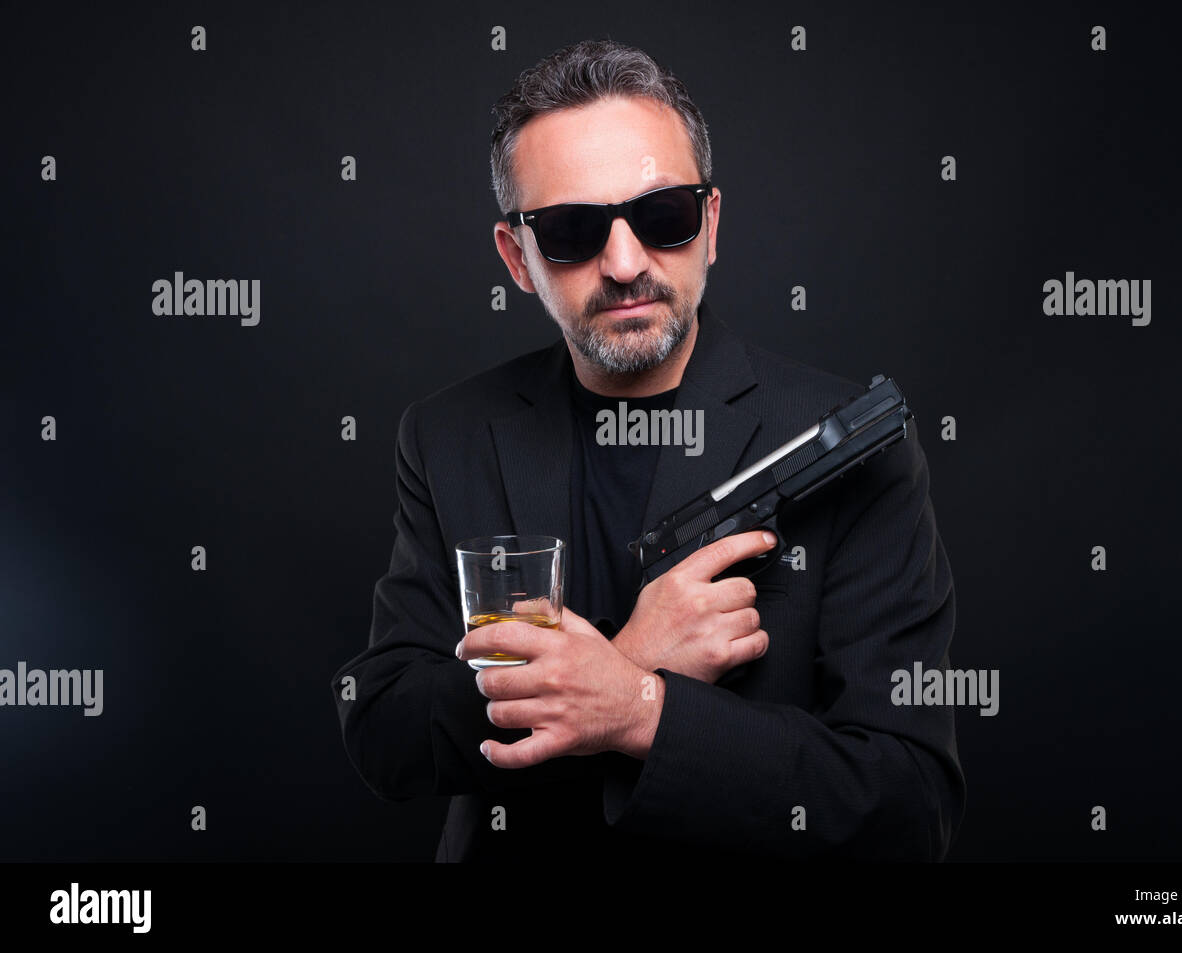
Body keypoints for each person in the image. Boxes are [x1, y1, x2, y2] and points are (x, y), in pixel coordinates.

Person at [330, 37, 964, 862]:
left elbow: (907, 806)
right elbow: (384, 728)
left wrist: (640, 709)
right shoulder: (449, 434)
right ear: (516, 257)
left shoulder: (848, 440)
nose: (626, 263)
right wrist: (625, 655)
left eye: (663, 216)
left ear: (710, 224)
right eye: (570, 231)